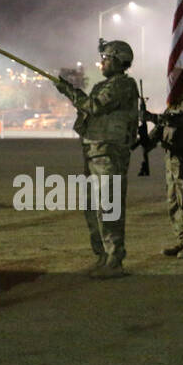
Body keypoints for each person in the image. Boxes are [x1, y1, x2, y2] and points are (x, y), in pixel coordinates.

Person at [53, 40, 139, 279]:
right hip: (94, 151)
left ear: (119, 61)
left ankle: (114, 259)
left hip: (110, 153)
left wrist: (68, 90)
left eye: (107, 58)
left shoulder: (123, 85)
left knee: (108, 206)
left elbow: (94, 106)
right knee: (93, 208)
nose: (102, 63)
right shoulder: (105, 84)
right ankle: (102, 256)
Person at [143, 83, 183, 259]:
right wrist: (146, 140)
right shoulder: (174, 103)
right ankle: (181, 239)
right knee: (173, 202)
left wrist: (153, 117)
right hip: (171, 160)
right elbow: (161, 128)